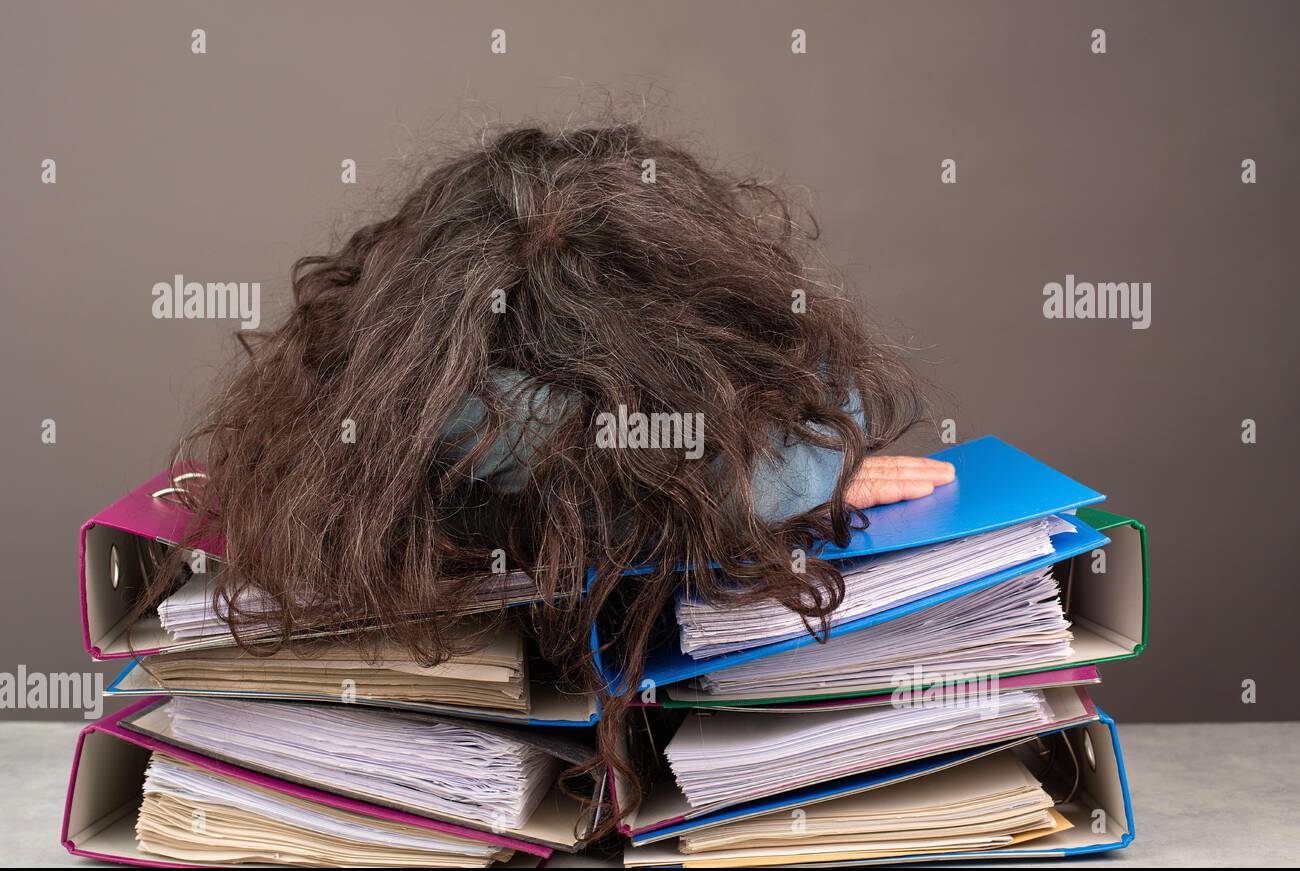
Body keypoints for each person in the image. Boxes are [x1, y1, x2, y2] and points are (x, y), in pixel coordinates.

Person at [151, 124, 951, 830]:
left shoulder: (383, 387)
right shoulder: (431, 412)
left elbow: (694, 445)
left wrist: (797, 457)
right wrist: (798, 467)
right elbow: (614, 477)